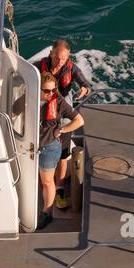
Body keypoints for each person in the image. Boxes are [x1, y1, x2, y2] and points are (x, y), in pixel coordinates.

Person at [38, 39, 91, 208]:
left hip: (62, 108)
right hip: (43, 106)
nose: (60, 62)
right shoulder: (39, 66)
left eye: (64, 59)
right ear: (51, 54)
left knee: (63, 151)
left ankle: (59, 187)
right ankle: (45, 178)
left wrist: (84, 87)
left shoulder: (71, 67)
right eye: (57, 58)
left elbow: (84, 82)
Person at [37, 73, 83, 230]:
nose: (51, 94)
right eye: (46, 91)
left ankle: (47, 212)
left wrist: (61, 130)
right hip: (29, 146)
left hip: (49, 147)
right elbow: (14, 112)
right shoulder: (28, 98)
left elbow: (79, 120)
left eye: (53, 90)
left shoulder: (59, 102)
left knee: (47, 182)